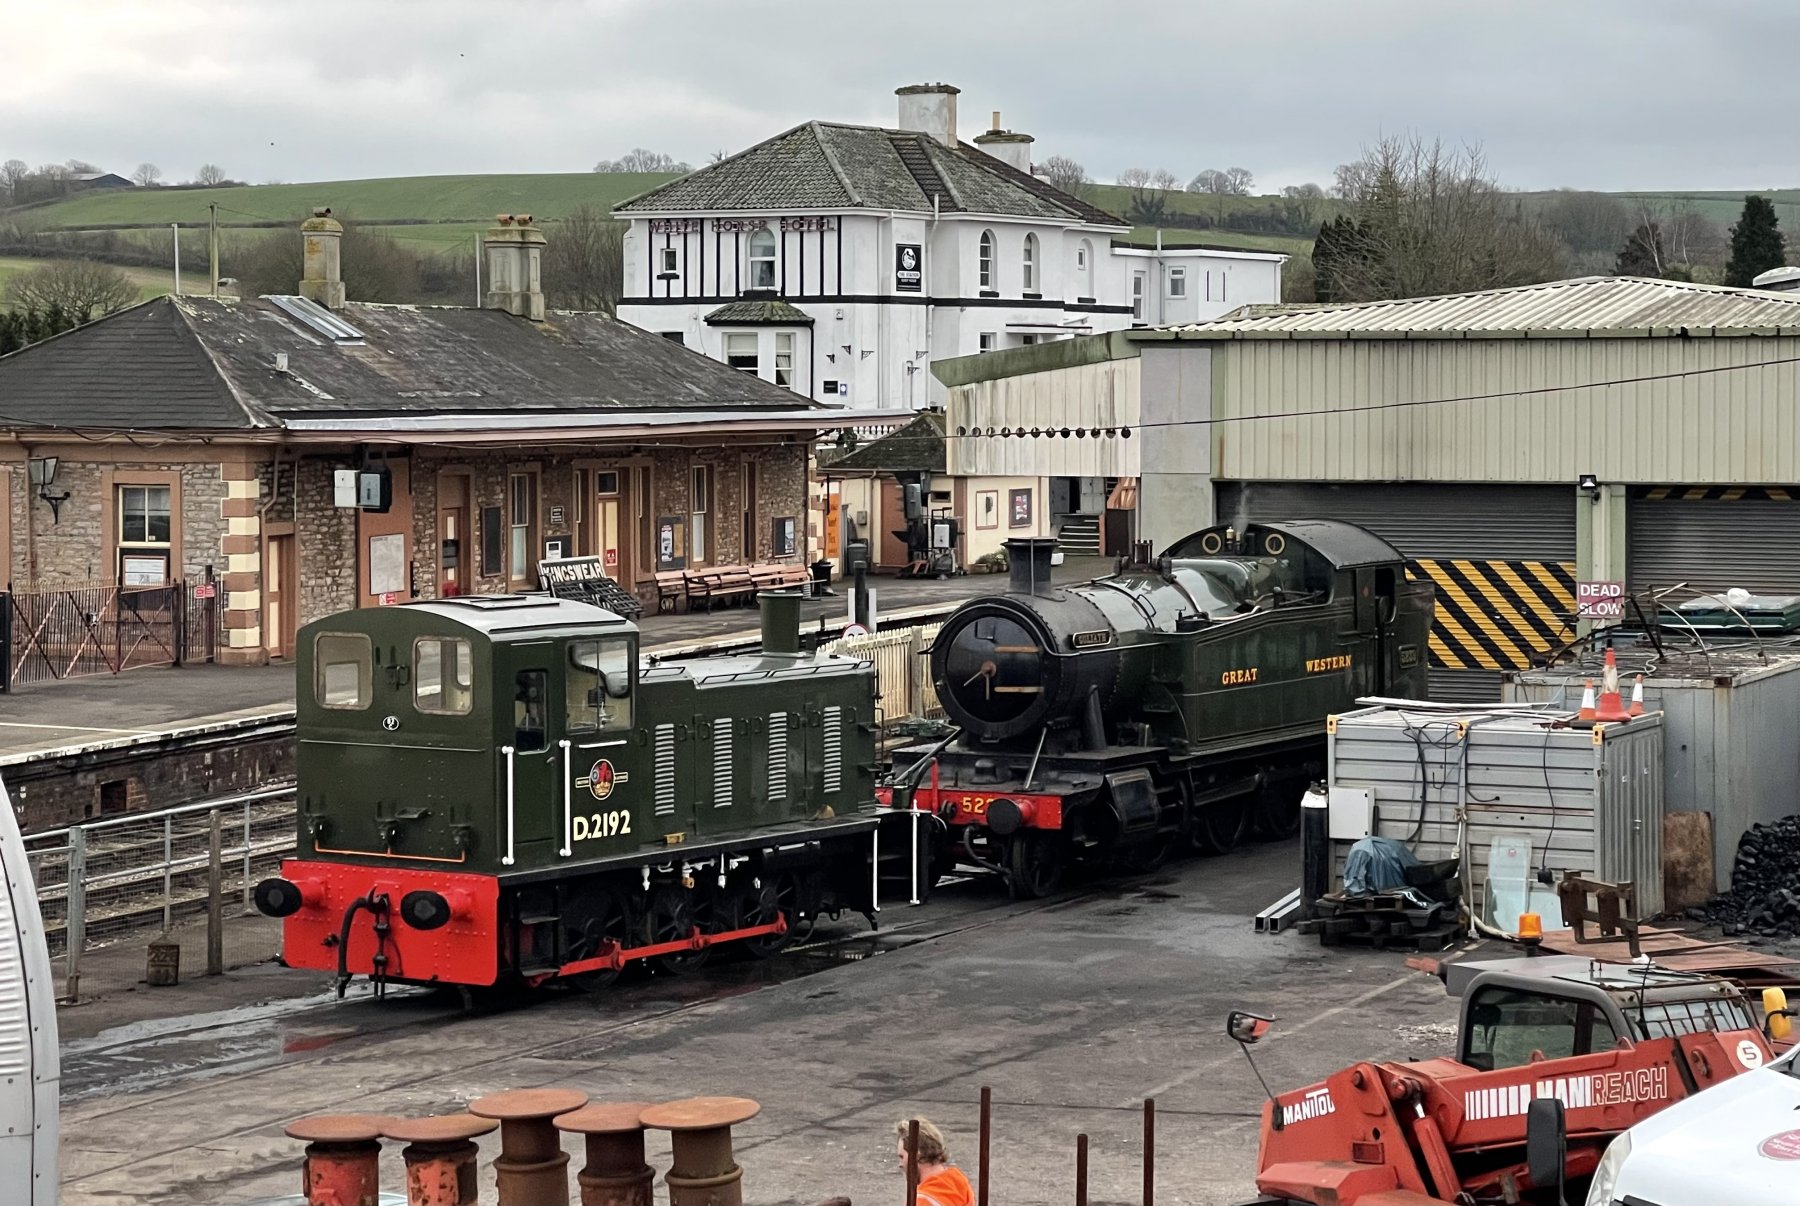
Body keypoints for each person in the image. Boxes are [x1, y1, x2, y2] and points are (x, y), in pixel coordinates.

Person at [894, 1118, 973, 1206]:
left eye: (902, 1157)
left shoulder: (921, 1200)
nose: (900, 1164)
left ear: (918, 1154)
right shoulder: (957, 1179)